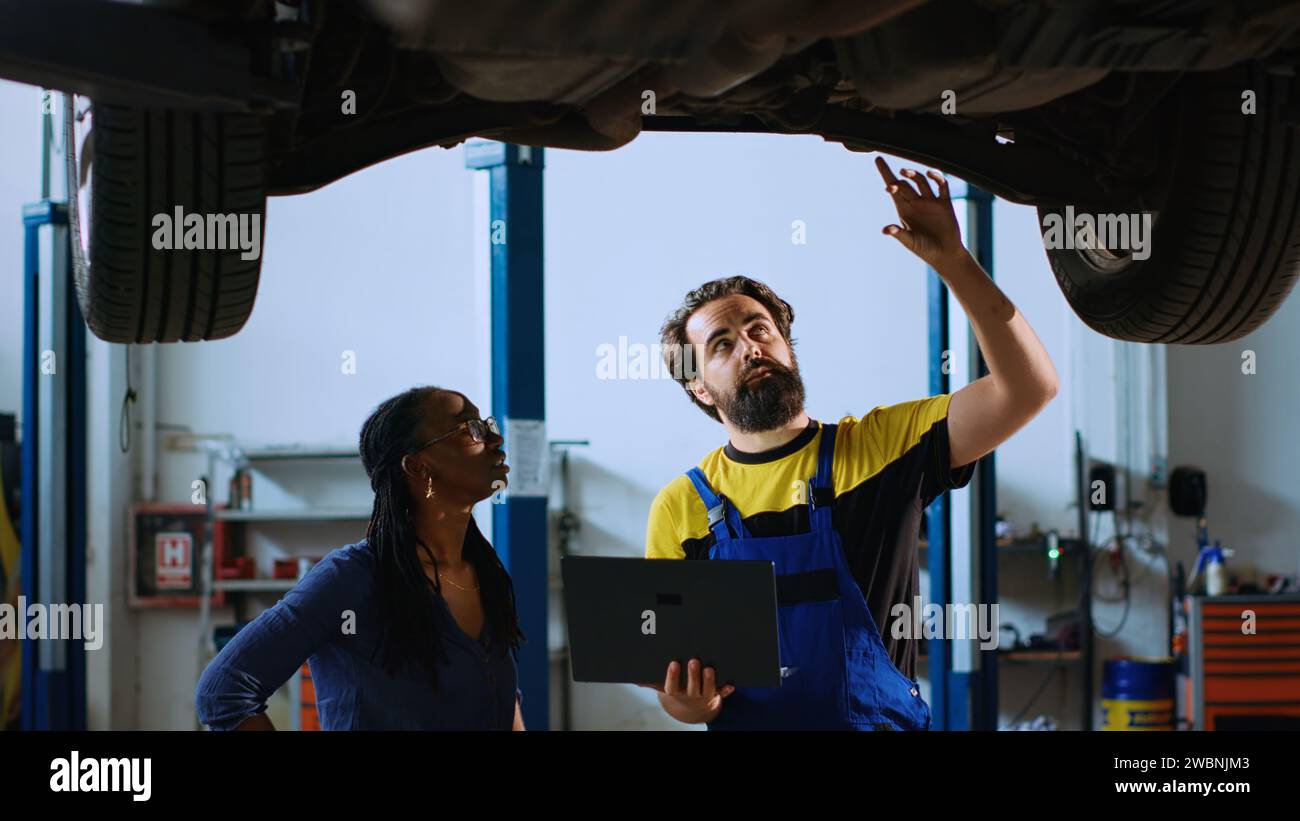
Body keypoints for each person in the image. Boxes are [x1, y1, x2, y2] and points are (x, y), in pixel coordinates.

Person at [643, 157, 1059, 730]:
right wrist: (692, 705)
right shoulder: (682, 507)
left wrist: (955, 263)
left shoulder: (881, 446)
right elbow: (680, 687)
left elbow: (1029, 388)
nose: (749, 347)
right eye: (721, 344)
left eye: (760, 329)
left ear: (787, 347)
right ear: (700, 388)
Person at [196, 386, 525, 730]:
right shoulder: (352, 579)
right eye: (470, 428)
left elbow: (500, 698)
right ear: (418, 466)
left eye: (487, 426)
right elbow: (222, 691)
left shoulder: (486, 574)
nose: (494, 440)